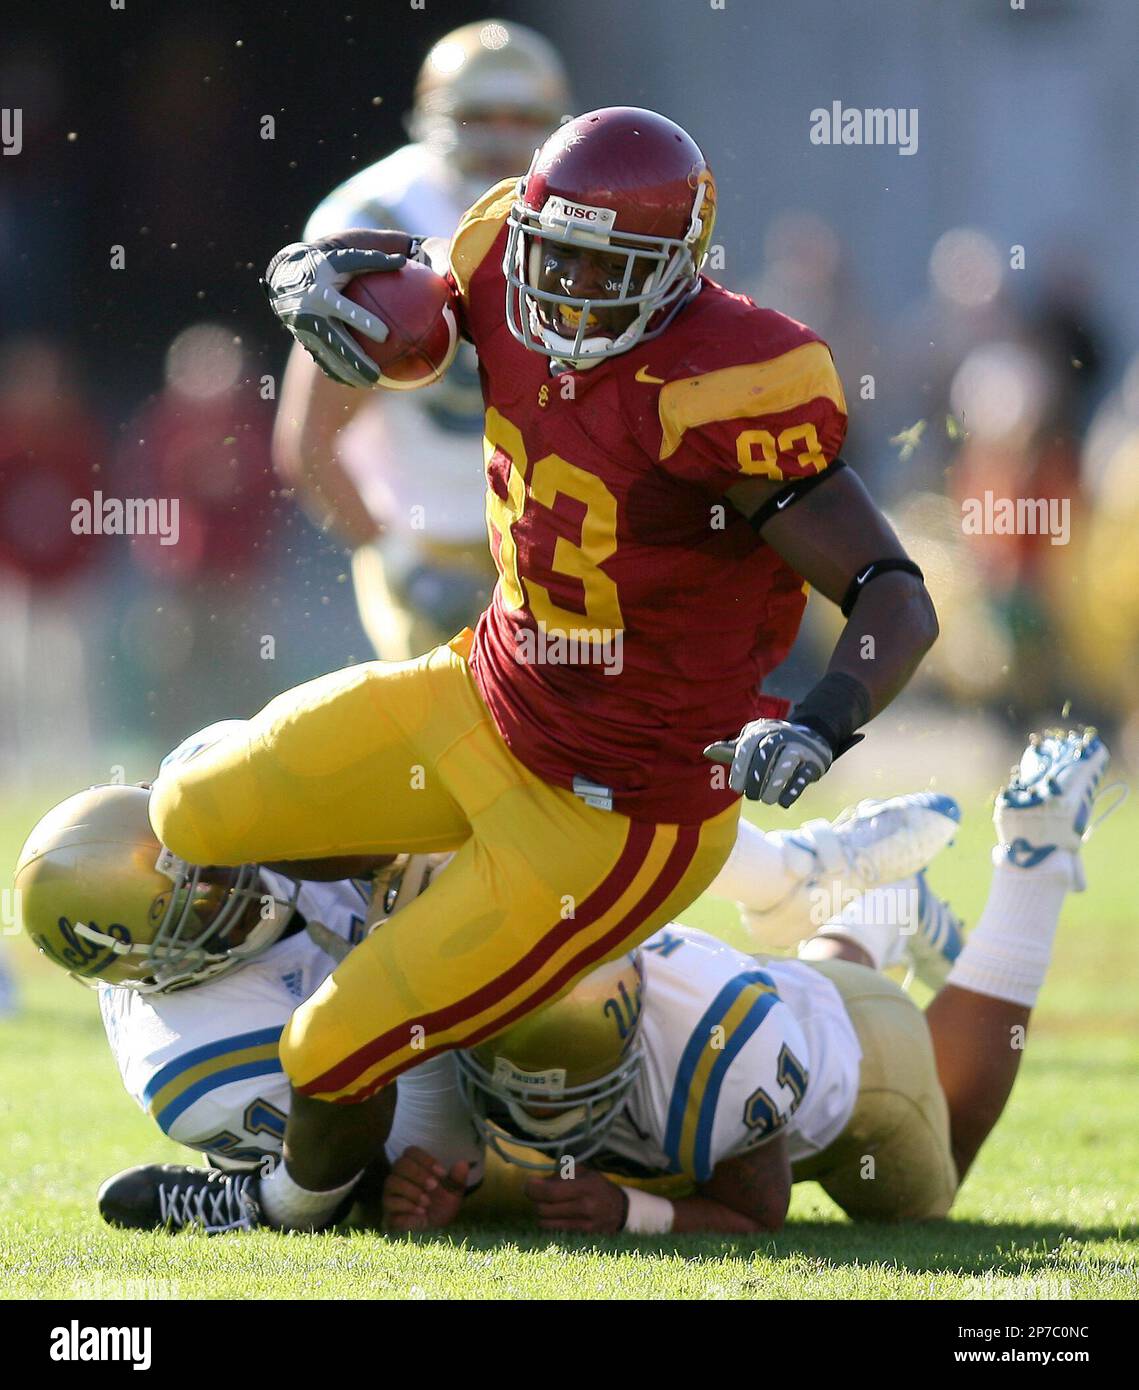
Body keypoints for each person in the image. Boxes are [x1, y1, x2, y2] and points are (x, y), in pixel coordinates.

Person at [146, 105, 939, 1234]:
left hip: (613, 813)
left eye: (603, 268)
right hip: (486, 689)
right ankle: (370, 913)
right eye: (552, 252)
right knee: (190, 806)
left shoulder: (730, 381)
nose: (564, 287)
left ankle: (280, 1201)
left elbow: (894, 597)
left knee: (327, 1047)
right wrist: (351, 296)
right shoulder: (492, 245)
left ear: (675, 269)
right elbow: (422, 319)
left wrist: (818, 720)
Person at [14, 723, 957, 1232]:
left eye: (209, 864)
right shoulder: (192, 1058)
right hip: (441, 1087)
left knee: (516, 769)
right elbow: (361, 1135)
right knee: (423, 1162)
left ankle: (805, 881)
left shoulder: (207, 787)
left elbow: (462, 778)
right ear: (151, 967)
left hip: (732, 1040)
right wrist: (309, 1200)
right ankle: (849, 903)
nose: (235, 884)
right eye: (201, 905)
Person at [381, 730, 1111, 1235]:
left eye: (576, 1101)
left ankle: (1034, 861)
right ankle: (881, 905)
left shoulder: (716, 1050)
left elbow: (757, 1213)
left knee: (926, 1195)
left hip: (869, 1065)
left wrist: (634, 1215)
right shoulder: (481, 985)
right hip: (796, 994)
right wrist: (435, 1197)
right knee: (815, 1001)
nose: (546, 1124)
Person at [273, 20, 570, 658]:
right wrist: (399, 560)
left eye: (522, 119)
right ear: (430, 119)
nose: (501, 141)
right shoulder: (378, 225)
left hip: (557, 541)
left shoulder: (582, 214)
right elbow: (309, 438)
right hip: (427, 538)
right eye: (478, 118)